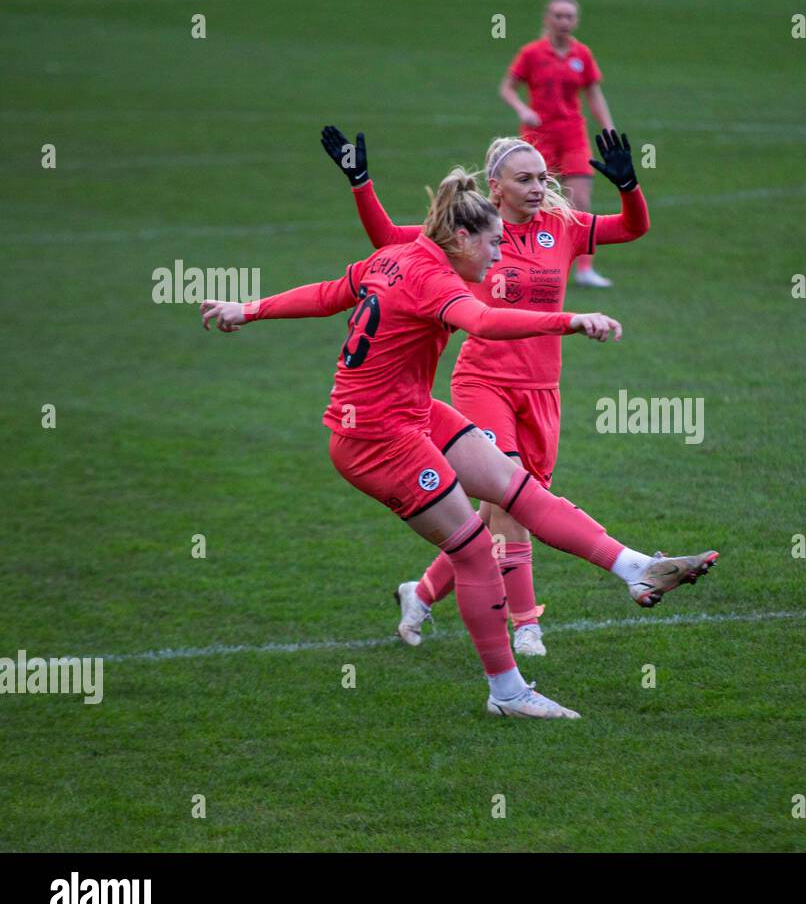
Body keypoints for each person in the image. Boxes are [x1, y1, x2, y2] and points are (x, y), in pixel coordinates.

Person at [200, 169, 717, 720]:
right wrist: (569, 320)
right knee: (474, 553)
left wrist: (249, 308)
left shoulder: (393, 258)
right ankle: (508, 693)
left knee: (518, 491)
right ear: (463, 238)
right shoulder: (434, 280)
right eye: (494, 243)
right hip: (376, 440)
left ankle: (635, 567)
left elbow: (329, 293)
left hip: (413, 413)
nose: (499, 256)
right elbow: (485, 322)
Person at [321, 125, 647, 656]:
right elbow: (387, 240)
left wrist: (630, 186)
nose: (540, 187)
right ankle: (527, 626)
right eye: (526, 179)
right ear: (495, 187)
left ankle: (421, 592)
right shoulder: (468, 235)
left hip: (542, 388)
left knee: (511, 503)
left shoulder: (562, 227)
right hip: (482, 382)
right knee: (510, 503)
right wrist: (360, 181)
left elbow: (633, 229)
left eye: (544, 177)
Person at [499, 0, 615, 287]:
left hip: (573, 134)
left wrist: (608, 127)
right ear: (547, 19)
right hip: (538, 138)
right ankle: (532, 259)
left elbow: (593, 94)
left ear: (575, 21)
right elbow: (508, 88)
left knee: (580, 199)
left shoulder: (582, 55)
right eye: (558, 16)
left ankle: (584, 269)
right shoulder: (532, 53)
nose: (564, 22)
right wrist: (524, 109)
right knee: (533, 201)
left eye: (569, 17)